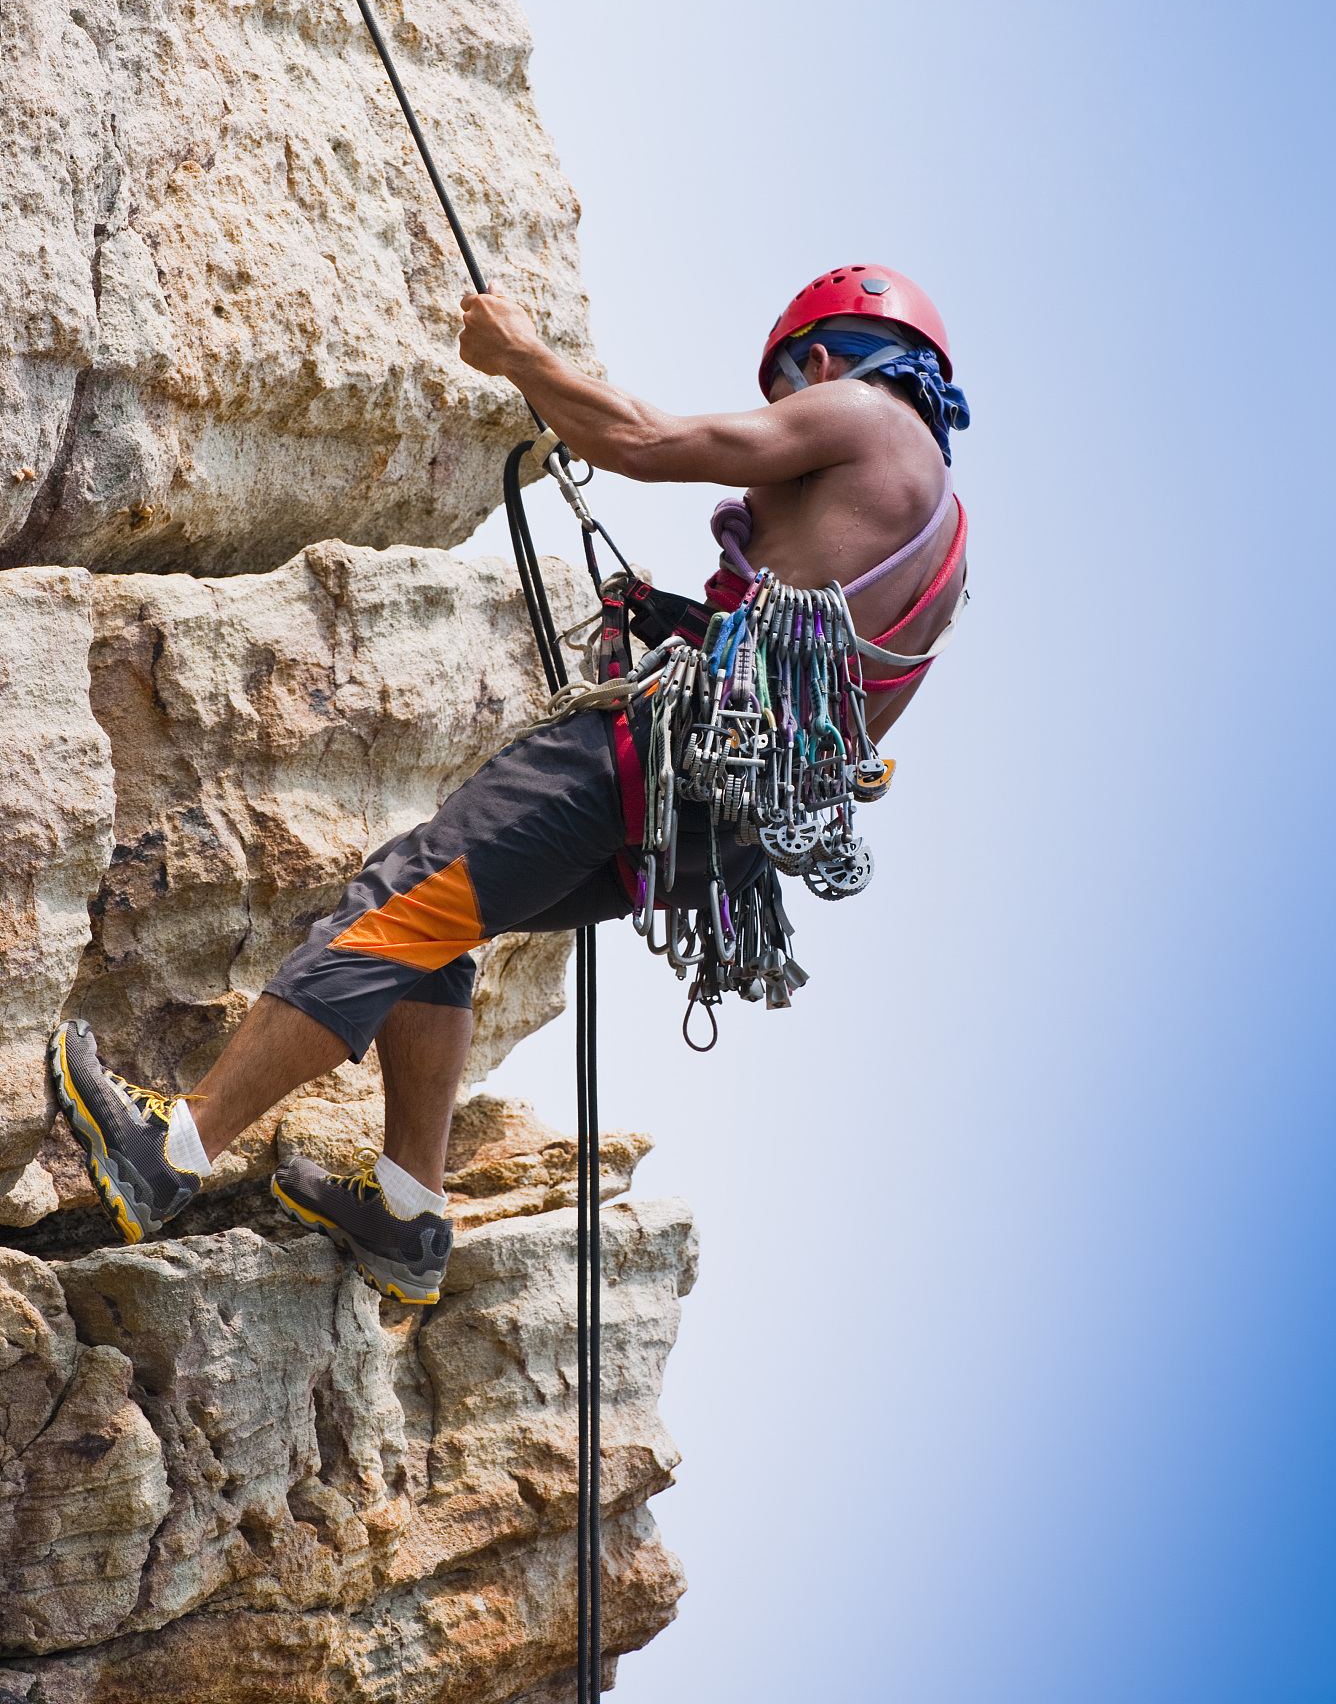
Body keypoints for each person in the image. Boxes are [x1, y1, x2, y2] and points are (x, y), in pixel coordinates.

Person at [50, 264, 970, 1302]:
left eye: (787, 389)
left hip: (646, 765)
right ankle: (406, 1211)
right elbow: (803, 675)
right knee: (443, 915)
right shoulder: (942, 539)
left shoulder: (858, 413)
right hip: (708, 840)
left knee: (400, 899)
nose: (787, 413)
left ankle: (171, 1148)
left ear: (821, 357)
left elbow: (646, 441)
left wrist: (519, 354)